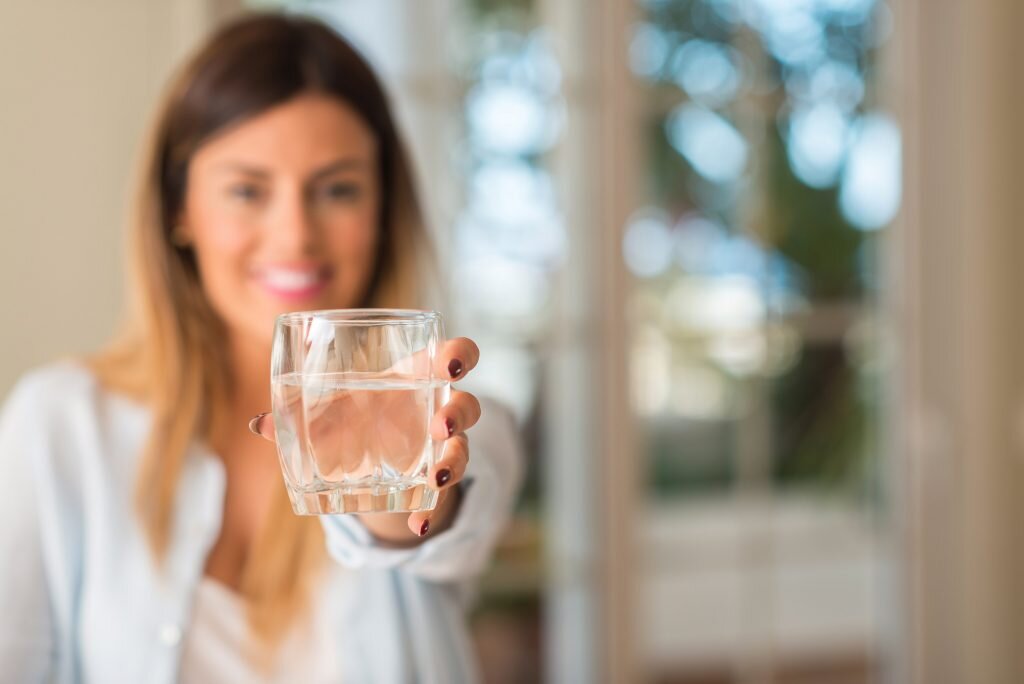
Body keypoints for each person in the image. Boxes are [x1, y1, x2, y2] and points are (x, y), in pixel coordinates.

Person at [0, 13, 521, 684]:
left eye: (338, 189)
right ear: (177, 209)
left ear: (383, 207)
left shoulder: (460, 420)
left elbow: (444, 531)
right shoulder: (60, 424)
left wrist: (399, 498)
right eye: (248, 190)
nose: (296, 236)